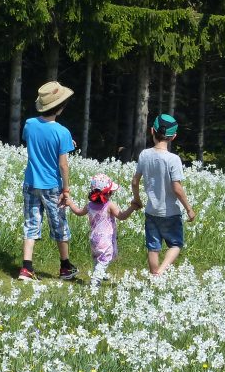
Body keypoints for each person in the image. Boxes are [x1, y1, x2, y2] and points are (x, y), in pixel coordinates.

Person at [18, 81, 79, 281]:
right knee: (59, 225)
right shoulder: (62, 132)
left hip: (30, 183)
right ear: (60, 108)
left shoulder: (29, 124)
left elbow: (35, 141)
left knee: (31, 223)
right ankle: (65, 267)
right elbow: (63, 165)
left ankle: (26, 268)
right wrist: (66, 189)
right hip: (52, 186)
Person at [131, 114, 197, 276]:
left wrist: (137, 200)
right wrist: (189, 209)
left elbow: (135, 182)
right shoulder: (173, 159)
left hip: (151, 211)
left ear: (152, 131)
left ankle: (154, 274)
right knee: (175, 244)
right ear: (173, 137)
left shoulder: (144, 155)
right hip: (170, 212)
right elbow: (177, 188)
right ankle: (160, 272)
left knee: (153, 247)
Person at [64, 173, 141, 288]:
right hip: (105, 240)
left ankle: (100, 273)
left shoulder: (89, 205)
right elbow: (122, 216)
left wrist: (70, 203)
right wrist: (132, 207)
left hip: (94, 238)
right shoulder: (109, 205)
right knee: (104, 259)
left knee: (97, 258)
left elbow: (79, 212)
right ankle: (96, 280)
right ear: (108, 193)